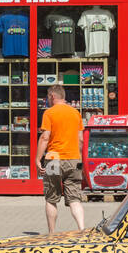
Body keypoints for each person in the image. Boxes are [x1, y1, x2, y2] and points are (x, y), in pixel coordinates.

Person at [36, 84, 85, 233]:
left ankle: (52, 234)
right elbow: (81, 139)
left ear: (52, 96)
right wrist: (78, 157)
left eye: (48, 97)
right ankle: (82, 230)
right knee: (75, 198)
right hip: (74, 158)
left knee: (51, 198)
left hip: (53, 158)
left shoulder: (49, 113)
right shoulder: (75, 113)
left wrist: (38, 159)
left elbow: (45, 137)